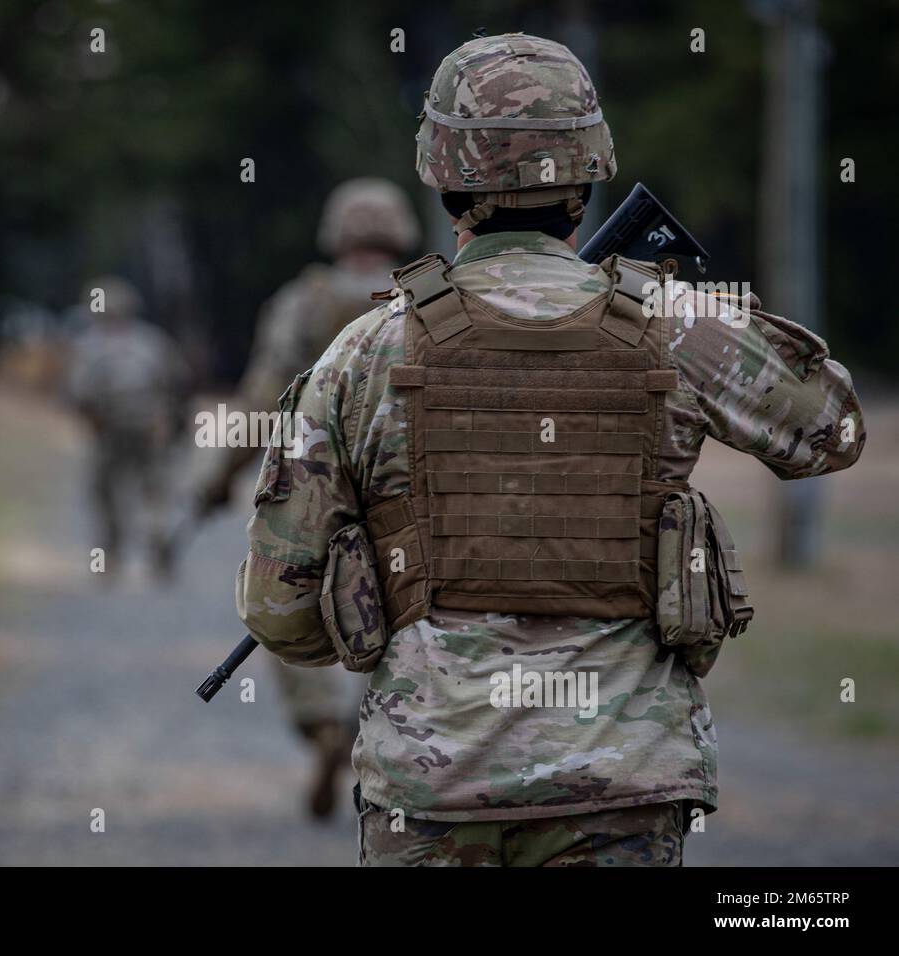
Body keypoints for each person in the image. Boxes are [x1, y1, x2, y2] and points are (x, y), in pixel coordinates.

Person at [235, 32, 865, 865]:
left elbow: (280, 613)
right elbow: (834, 428)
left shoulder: (364, 351)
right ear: (589, 168)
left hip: (434, 790)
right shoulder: (671, 325)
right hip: (624, 786)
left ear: (440, 170)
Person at [194, 179, 420, 818]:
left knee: (287, 613)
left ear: (335, 234)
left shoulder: (301, 301)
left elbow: (264, 397)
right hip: (404, 491)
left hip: (313, 489)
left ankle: (323, 724)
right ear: (399, 233)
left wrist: (221, 476)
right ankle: (383, 740)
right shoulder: (430, 299)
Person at [65, 276, 189, 580]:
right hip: (150, 428)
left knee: (105, 493)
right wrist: (170, 423)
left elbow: (79, 393)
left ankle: (110, 555)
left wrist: (92, 421)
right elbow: (178, 383)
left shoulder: (89, 346)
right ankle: (159, 553)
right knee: (155, 493)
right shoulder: (154, 341)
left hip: (110, 430)